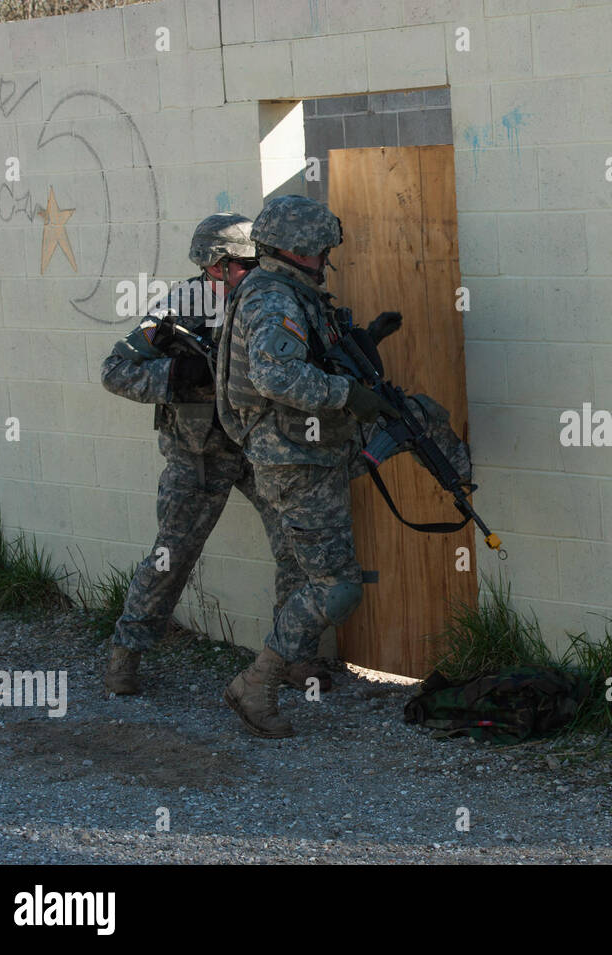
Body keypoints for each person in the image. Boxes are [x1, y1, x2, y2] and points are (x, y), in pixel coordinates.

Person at [100, 213, 330, 696]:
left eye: (255, 261)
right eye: (242, 263)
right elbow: (114, 371)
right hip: (197, 455)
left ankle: (291, 657)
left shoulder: (272, 299)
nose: (252, 270)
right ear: (214, 266)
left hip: (261, 452)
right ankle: (126, 653)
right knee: (171, 556)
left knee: (296, 551)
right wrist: (175, 378)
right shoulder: (180, 306)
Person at [215, 195, 402, 738]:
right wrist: (350, 396)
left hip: (307, 451)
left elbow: (303, 358)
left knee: (307, 573)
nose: (326, 260)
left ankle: (286, 668)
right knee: (337, 588)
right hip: (294, 459)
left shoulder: (285, 291)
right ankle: (256, 683)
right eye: (321, 250)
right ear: (298, 250)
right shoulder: (273, 298)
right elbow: (277, 378)